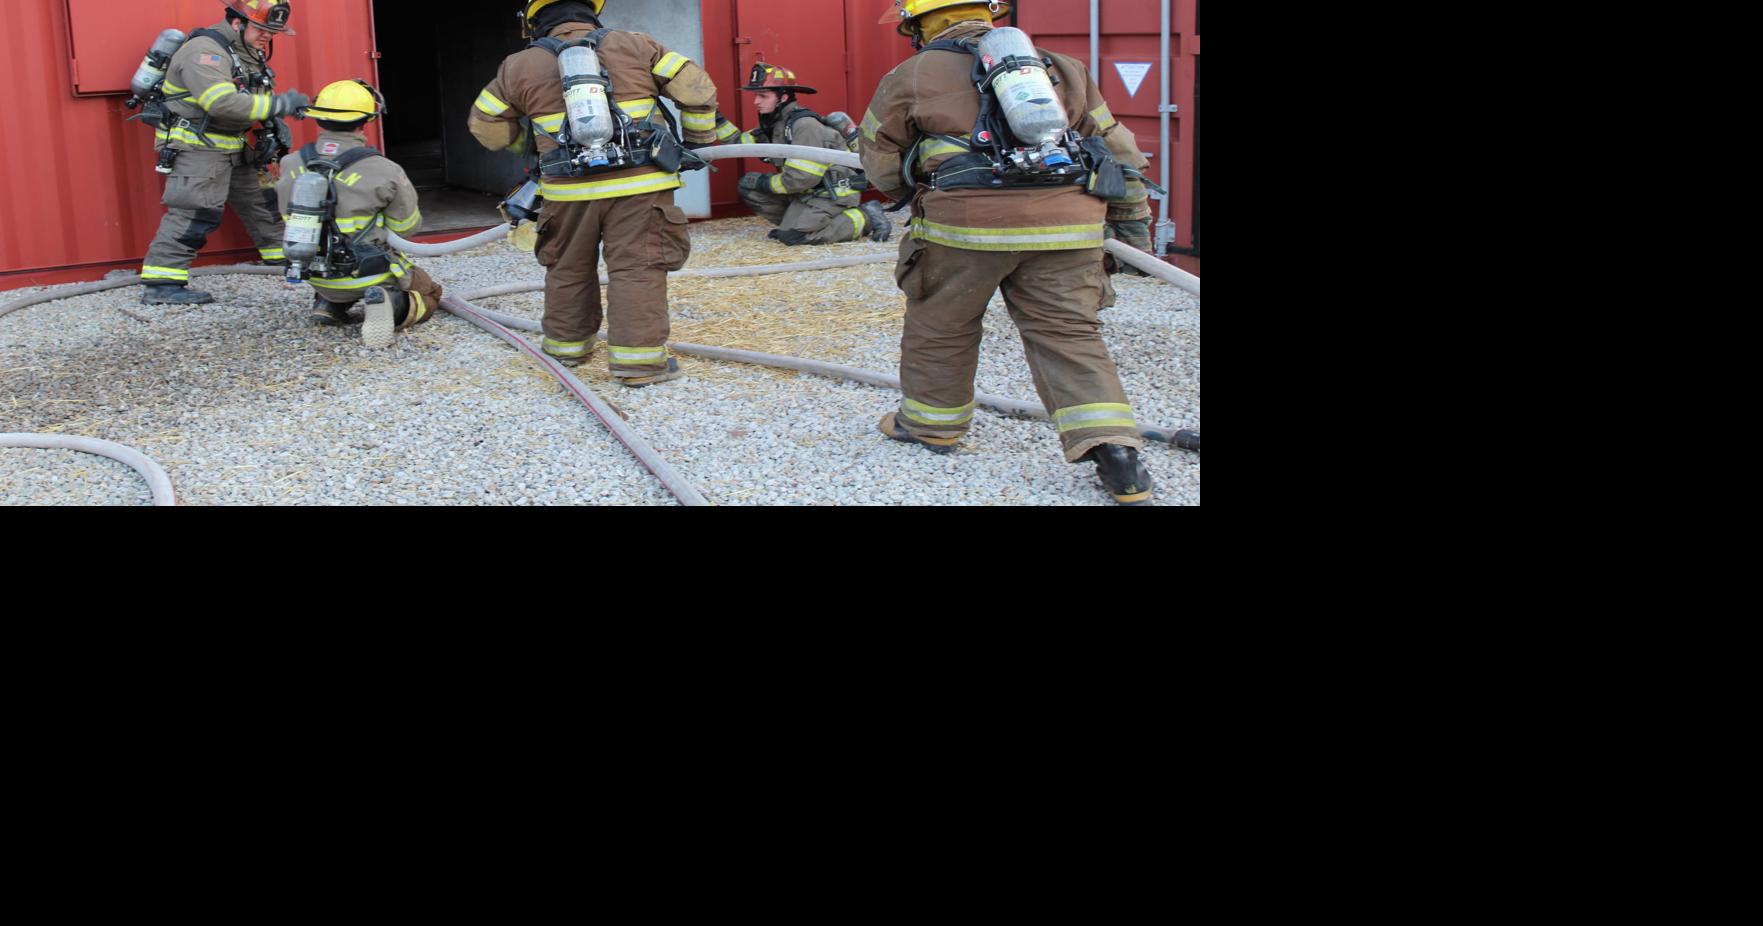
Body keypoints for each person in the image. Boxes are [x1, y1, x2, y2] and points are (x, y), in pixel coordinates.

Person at [859, 0, 1157, 504]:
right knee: (1068, 332)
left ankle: (934, 426)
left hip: (967, 231)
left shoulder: (911, 74)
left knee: (942, 323)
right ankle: (1116, 453)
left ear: (921, 24)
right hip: (1068, 227)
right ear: (989, 13)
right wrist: (1133, 225)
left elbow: (879, 155)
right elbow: (1117, 149)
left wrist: (911, 195)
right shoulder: (1061, 68)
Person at [467, 0, 720, 384]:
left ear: (535, 21)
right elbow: (697, 89)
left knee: (567, 268)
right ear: (590, 12)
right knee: (638, 269)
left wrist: (533, 146)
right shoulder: (636, 45)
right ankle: (639, 365)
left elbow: (487, 126)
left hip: (566, 191)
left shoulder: (518, 66)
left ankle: (566, 350)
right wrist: (699, 141)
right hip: (641, 187)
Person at [139, 0, 309, 305]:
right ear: (236, 22)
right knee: (195, 211)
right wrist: (278, 105)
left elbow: (252, 94)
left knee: (264, 201)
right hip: (198, 147)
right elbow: (220, 103)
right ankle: (161, 282)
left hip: (234, 144)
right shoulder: (205, 52)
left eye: (272, 31)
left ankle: (281, 258)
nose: (267, 37)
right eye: (261, 29)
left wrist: (272, 122)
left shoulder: (246, 51)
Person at [275, 80, 442, 349]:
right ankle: (392, 304)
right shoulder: (384, 169)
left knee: (334, 284)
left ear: (319, 119)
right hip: (368, 272)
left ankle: (327, 305)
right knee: (429, 291)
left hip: (314, 273)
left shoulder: (290, 163)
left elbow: (287, 217)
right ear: (365, 122)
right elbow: (406, 227)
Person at [731, 63, 891, 246]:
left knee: (793, 237)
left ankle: (866, 216)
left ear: (783, 97)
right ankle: (799, 223)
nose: (756, 102)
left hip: (832, 193)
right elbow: (738, 145)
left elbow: (801, 178)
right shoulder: (776, 125)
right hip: (808, 192)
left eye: (763, 96)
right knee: (748, 186)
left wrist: (765, 182)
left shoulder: (804, 126)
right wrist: (713, 118)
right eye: (756, 96)